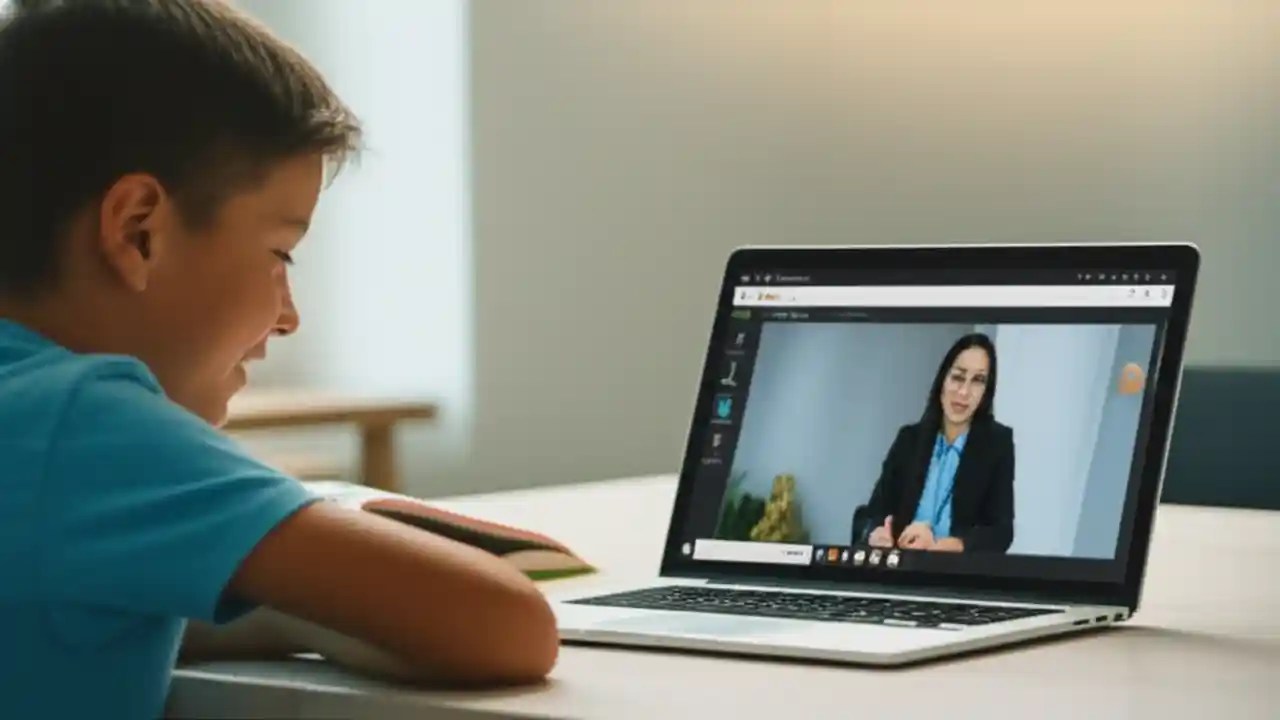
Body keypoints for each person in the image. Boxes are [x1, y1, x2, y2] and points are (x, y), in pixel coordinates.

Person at [0, 1, 557, 717]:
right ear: (138, 232)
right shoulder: (79, 422)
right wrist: (297, 596)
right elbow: (507, 625)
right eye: (278, 255)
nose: (288, 317)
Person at [864, 333, 1015, 553]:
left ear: (986, 392)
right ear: (943, 380)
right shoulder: (909, 439)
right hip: (901, 563)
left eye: (978, 380)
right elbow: (874, 512)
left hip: (955, 575)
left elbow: (1001, 532)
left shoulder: (998, 444)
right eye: (958, 377)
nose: (964, 392)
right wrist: (878, 532)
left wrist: (944, 546)